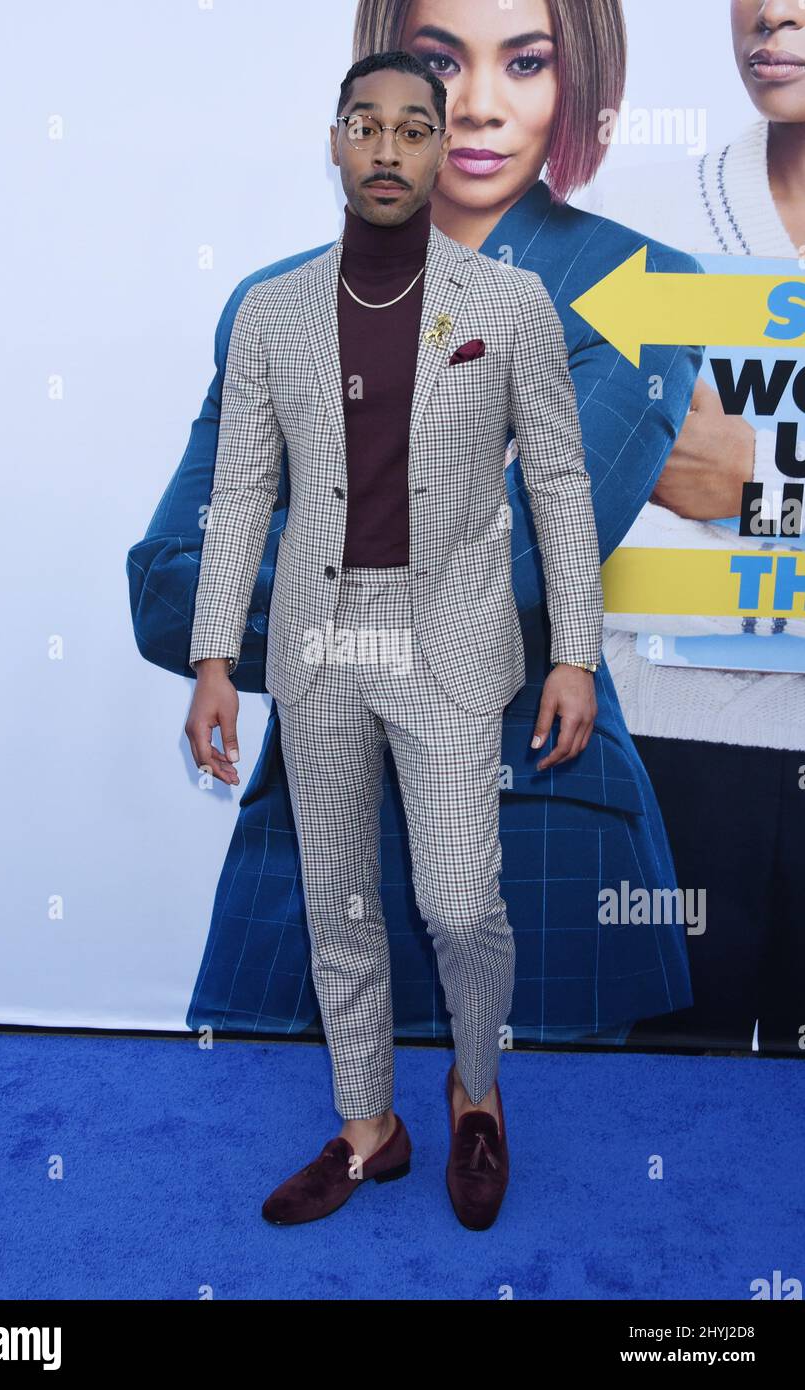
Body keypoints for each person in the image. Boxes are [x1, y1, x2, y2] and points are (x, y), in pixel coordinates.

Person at [127, 0, 704, 1057]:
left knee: (540, 1155)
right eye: (441, 61)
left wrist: (305, 539)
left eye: (524, 63)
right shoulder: (273, 302)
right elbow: (167, 587)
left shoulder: (642, 288)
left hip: (537, 830)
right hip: (296, 851)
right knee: (226, 1145)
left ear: (577, 78)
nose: (476, 105)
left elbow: (523, 567)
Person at [185, 50, 603, 1229]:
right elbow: (240, 493)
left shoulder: (508, 303)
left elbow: (560, 481)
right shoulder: (270, 312)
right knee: (341, 905)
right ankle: (368, 1126)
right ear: (334, 142)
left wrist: (575, 650)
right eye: (363, 125)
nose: (385, 149)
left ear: (439, 148)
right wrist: (214, 659)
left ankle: (475, 1091)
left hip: (449, 636)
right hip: (317, 643)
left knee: (461, 903)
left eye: (411, 129)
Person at [574, 0, 805, 1053]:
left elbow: (707, 483)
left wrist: (756, 483)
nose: (772, 12)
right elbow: (568, 486)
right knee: (660, 1093)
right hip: (672, 737)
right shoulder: (637, 217)